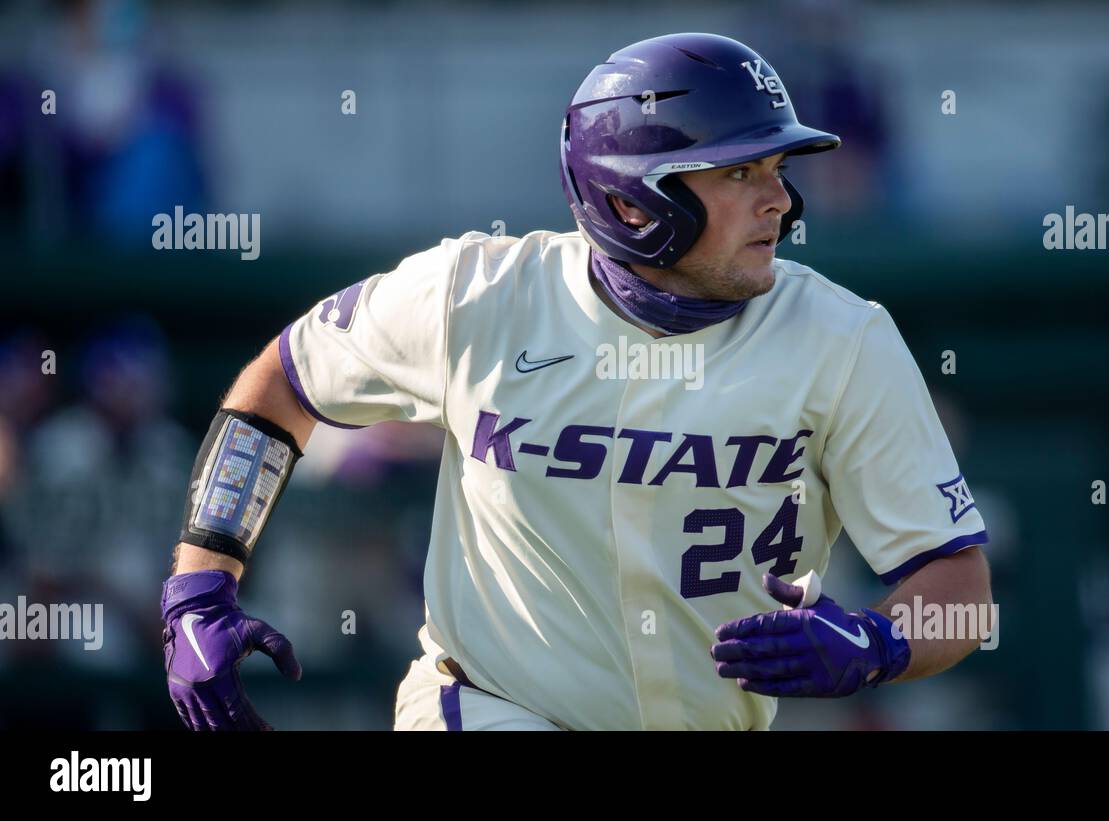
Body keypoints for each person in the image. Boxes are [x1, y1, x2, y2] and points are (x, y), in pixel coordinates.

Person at [161, 32, 992, 731]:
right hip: (487, 707)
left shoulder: (845, 339)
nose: (781, 199)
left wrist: (880, 643)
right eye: (740, 173)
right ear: (634, 203)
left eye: (777, 167)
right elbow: (282, 382)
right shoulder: (472, 294)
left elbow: (960, 591)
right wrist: (201, 583)